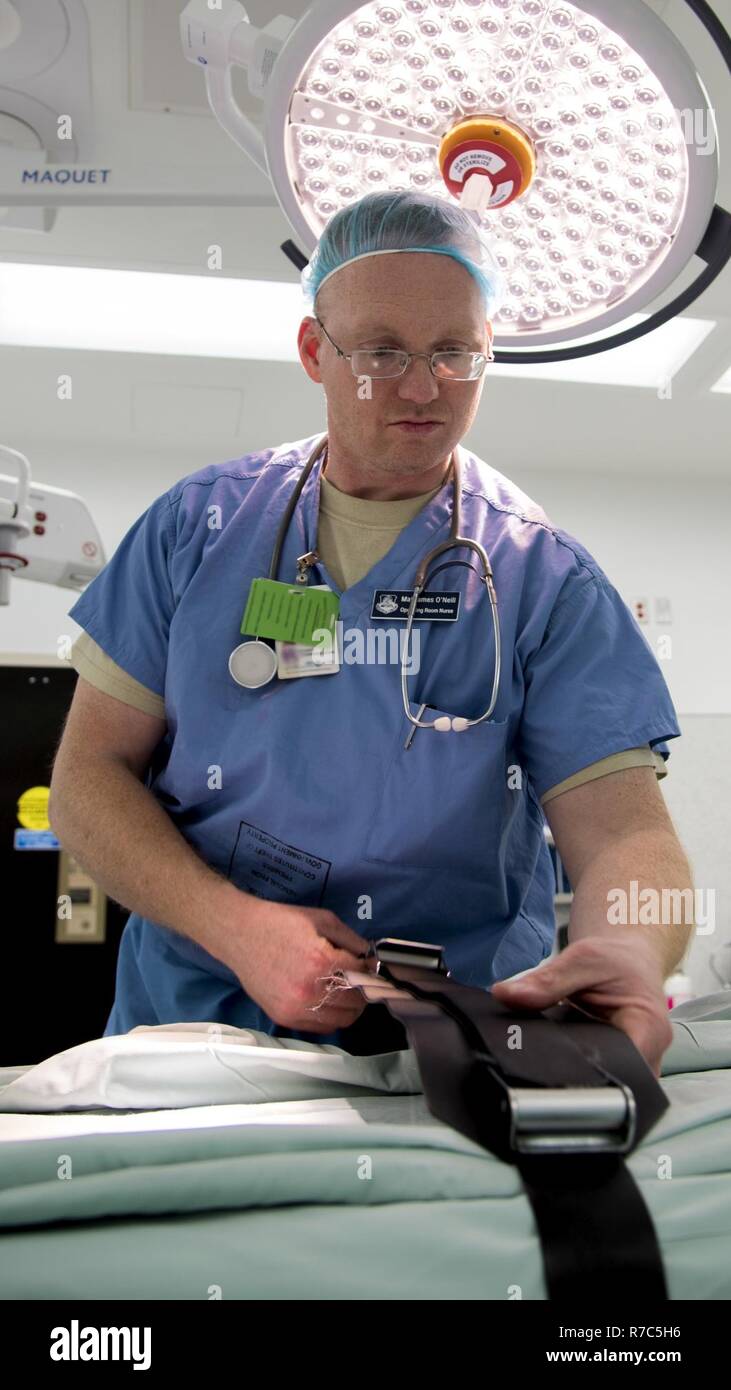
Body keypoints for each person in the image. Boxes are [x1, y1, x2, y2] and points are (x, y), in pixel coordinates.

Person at [49, 191, 692, 1073]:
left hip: (449, 1043)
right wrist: (231, 926)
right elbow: (88, 776)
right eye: (383, 351)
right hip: (197, 1023)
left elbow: (626, 833)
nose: (424, 387)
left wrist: (629, 948)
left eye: (453, 352)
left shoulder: (543, 582)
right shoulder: (196, 531)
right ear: (316, 351)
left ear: (486, 351)